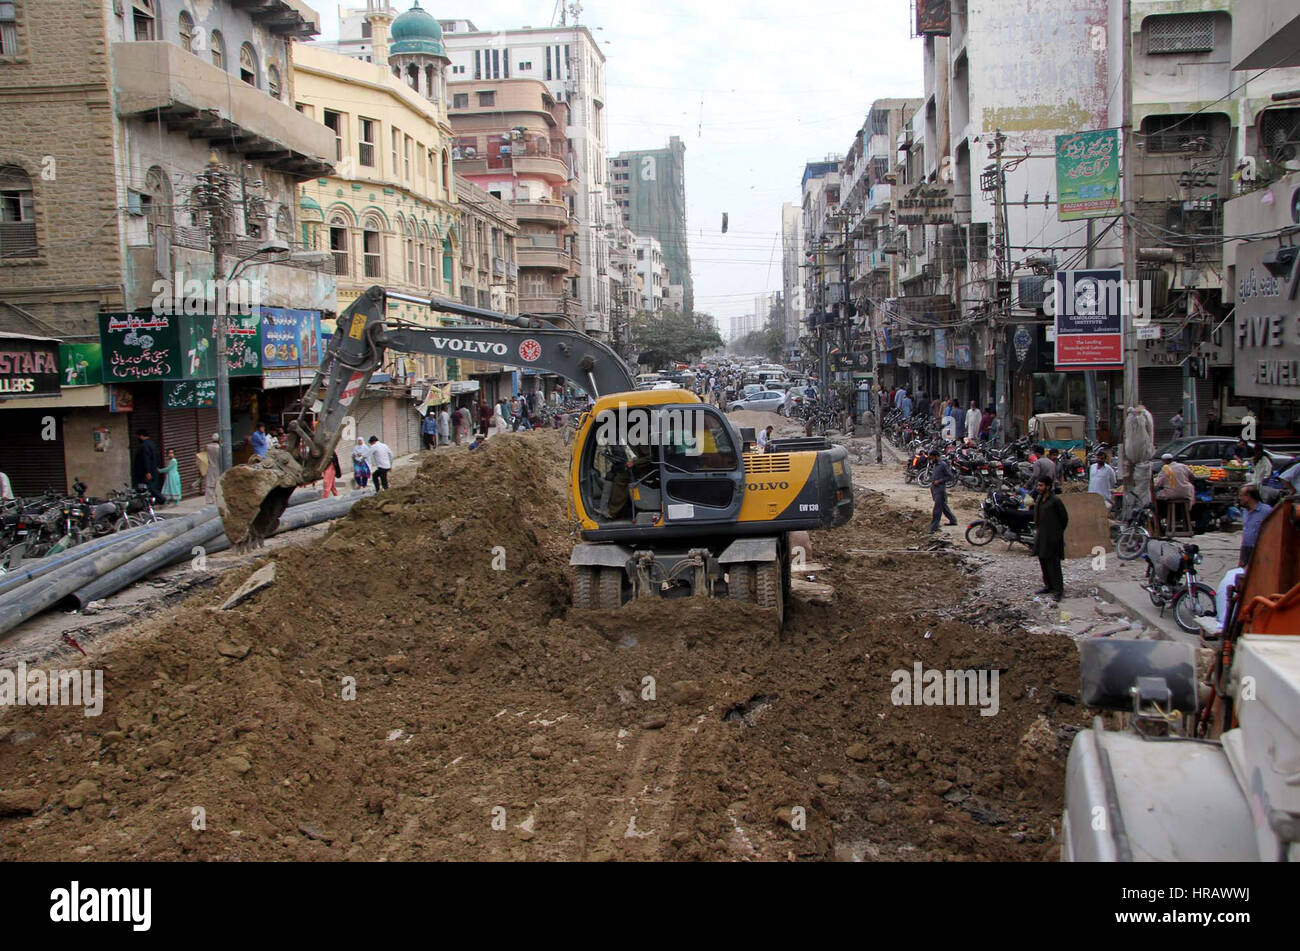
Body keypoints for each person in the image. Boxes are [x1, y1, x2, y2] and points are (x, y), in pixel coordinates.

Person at [1032, 476, 1069, 601]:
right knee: (1043, 561)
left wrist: (1057, 533)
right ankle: (1049, 586)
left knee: (1054, 564)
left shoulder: (1055, 501)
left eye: (1041, 485)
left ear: (1047, 486)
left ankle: (1058, 590)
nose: (1038, 488)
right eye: (1038, 485)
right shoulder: (1040, 498)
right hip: (1042, 535)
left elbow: (1064, 519)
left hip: (1053, 537)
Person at [1238, 485, 1272, 567]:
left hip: (1260, 549)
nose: (1240, 498)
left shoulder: (1266, 511)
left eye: (1241, 495)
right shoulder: (1245, 511)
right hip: (1246, 548)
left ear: (1248, 496)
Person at [927, 449, 958, 533]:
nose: (931, 459)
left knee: (937, 509)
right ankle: (953, 520)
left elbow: (950, 476)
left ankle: (933, 527)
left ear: (936, 456)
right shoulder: (935, 465)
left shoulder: (943, 465)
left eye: (932, 457)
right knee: (943, 506)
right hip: (934, 488)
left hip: (940, 489)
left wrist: (939, 481)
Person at [132, 429, 164, 503]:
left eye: (138, 436)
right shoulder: (152, 444)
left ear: (141, 436)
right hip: (153, 470)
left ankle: (161, 499)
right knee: (150, 487)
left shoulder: (144, 446)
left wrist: (147, 471)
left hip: (146, 472)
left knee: (148, 487)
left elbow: (146, 459)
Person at [198, 434, 221, 504]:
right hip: (219, 468)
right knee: (218, 484)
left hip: (210, 468)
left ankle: (209, 501)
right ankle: (219, 500)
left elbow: (202, 456)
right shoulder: (221, 448)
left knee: (209, 485)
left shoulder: (207, 447)